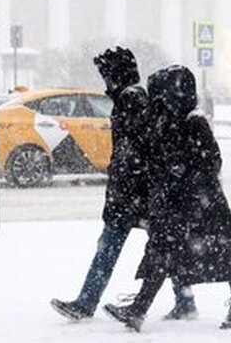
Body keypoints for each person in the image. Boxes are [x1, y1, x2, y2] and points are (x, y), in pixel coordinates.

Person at [104, 65, 231, 332]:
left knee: (224, 254)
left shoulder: (194, 121)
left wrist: (184, 175)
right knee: (162, 252)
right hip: (177, 202)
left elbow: (212, 161)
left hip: (202, 204)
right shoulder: (166, 121)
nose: (158, 101)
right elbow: (153, 152)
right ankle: (139, 309)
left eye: (162, 95)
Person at [50, 47, 195, 322]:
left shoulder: (131, 99)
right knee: (165, 248)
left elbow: (137, 149)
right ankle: (185, 302)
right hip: (137, 193)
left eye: (106, 75)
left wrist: (125, 183)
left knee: (114, 248)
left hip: (132, 195)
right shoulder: (131, 97)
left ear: (117, 75)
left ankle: (86, 303)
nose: (104, 81)